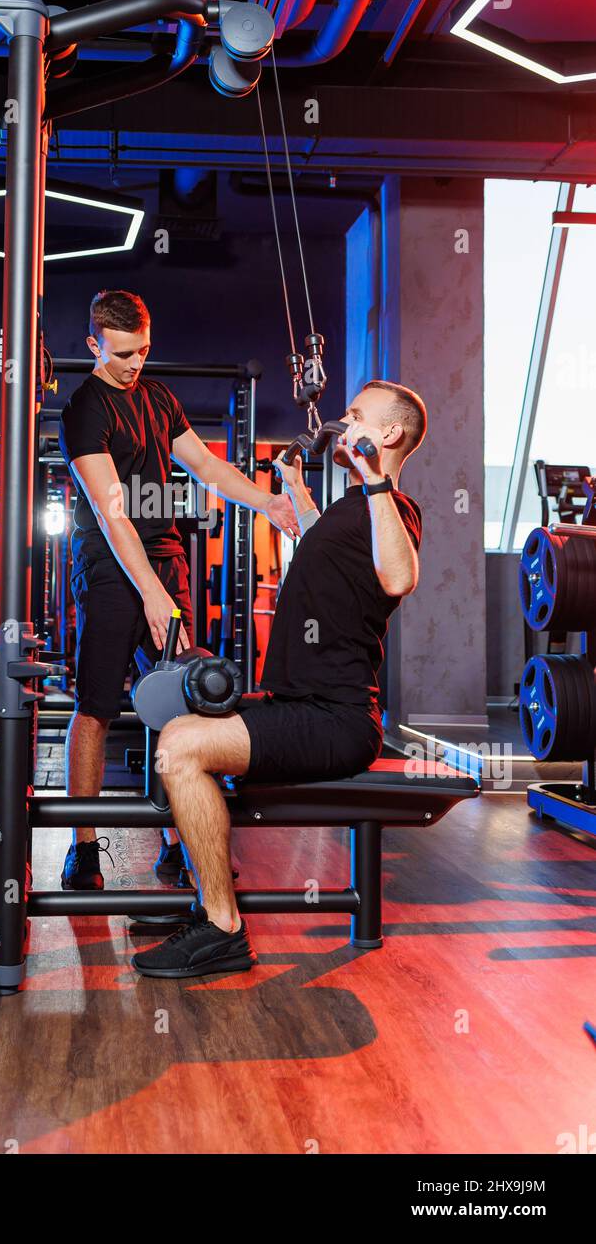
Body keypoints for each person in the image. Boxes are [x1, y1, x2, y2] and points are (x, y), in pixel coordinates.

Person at [131, 379, 427, 978]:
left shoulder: (392, 508)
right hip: (299, 702)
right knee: (175, 714)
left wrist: (375, 479)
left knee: (181, 749)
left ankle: (222, 928)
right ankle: (201, 896)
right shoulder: (354, 512)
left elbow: (398, 577)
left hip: (336, 719)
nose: (342, 425)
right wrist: (294, 487)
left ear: (389, 434)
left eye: (355, 416)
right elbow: (324, 548)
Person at [58, 289, 299, 891]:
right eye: (120, 354)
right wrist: (150, 595)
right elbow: (115, 516)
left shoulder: (159, 399)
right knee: (96, 706)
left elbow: (210, 469)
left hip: (166, 562)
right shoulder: (85, 408)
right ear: (94, 345)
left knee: (182, 702)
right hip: (112, 567)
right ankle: (85, 846)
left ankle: (178, 839)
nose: (133, 363)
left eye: (141, 350)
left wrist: (267, 502)